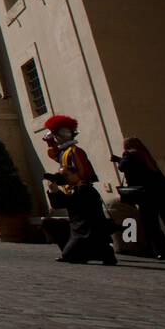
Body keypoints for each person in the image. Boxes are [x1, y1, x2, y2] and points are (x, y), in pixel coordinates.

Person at [42, 114, 116, 265]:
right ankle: (84, 251)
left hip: (80, 193)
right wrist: (49, 142)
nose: (57, 138)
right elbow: (54, 155)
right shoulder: (64, 151)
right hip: (73, 192)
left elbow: (81, 171)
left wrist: (75, 184)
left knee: (88, 226)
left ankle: (98, 251)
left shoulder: (75, 151)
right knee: (69, 225)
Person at [113, 136, 165, 263]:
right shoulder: (146, 155)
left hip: (148, 197)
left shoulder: (129, 155)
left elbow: (123, 167)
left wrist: (120, 159)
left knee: (152, 226)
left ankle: (163, 252)